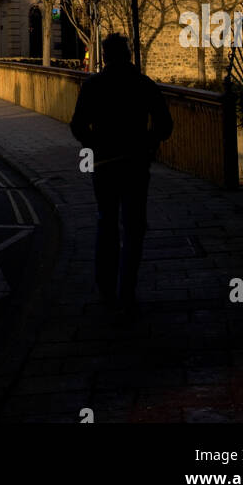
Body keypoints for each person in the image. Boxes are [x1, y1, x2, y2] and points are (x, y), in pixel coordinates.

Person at [70, 32, 173, 317]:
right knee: (134, 227)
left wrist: (95, 145)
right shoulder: (142, 84)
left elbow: (77, 125)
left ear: (105, 56)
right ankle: (126, 290)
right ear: (128, 54)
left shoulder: (93, 86)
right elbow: (165, 125)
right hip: (135, 166)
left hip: (104, 166)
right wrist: (148, 144)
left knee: (107, 223)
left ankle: (105, 288)